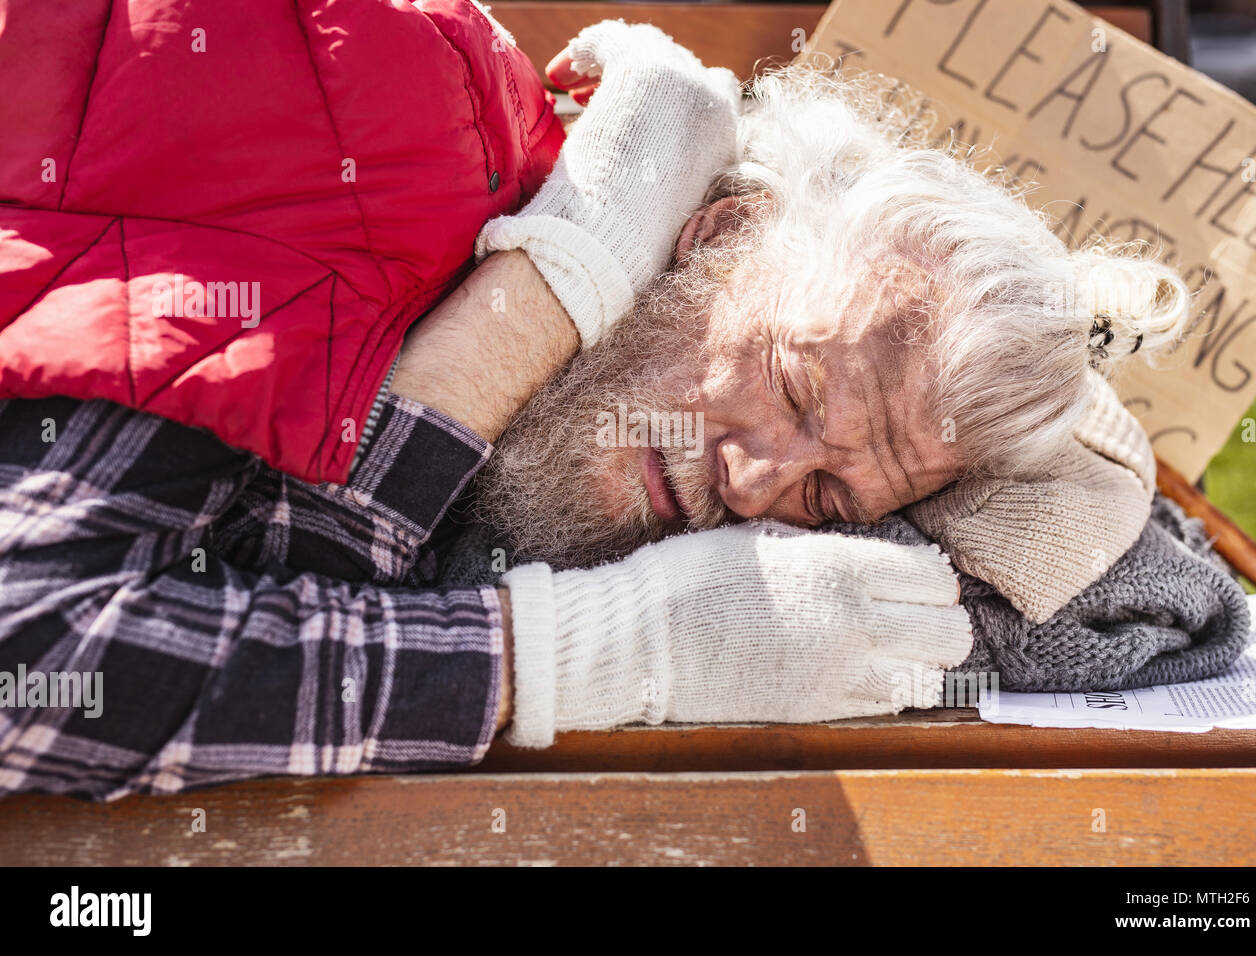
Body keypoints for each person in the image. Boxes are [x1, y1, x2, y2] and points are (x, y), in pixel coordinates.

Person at [0, 5, 1187, 800]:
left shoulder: (551, 350)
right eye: (788, 384)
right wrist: (583, 650)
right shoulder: (386, 151)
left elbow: (1123, 556)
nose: (758, 483)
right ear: (716, 229)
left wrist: (544, 293)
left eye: (831, 494)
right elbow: (36, 662)